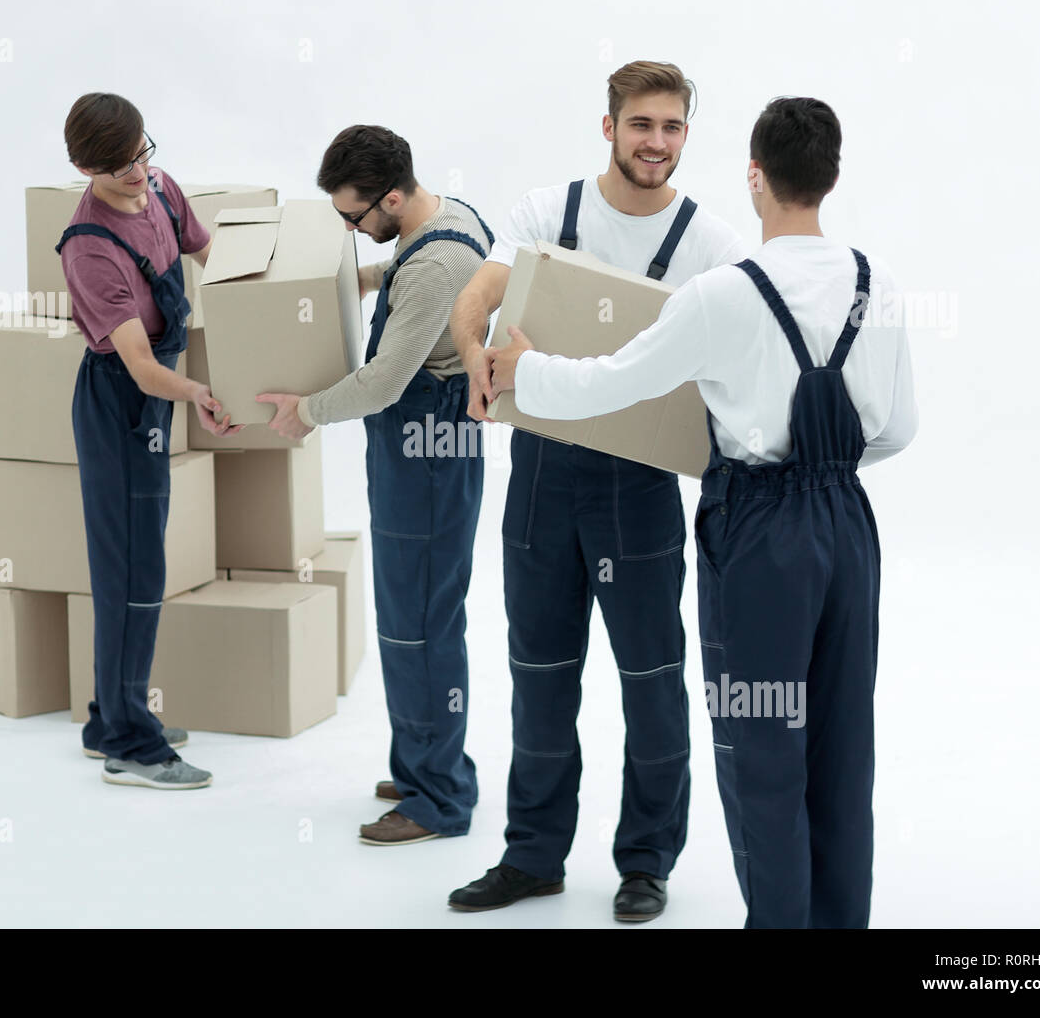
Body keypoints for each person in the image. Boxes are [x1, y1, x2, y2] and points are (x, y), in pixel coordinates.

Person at [488, 96, 918, 928]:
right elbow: (897, 430)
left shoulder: (725, 294)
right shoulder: (878, 281)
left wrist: (526, 372)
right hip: (848, 530)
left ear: (754, 177)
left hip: (760, 536)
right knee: (841, 745)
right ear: (830, 178)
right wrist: (824, 471)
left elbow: (613, 382)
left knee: (762, 752)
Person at [447, 61, 750, 921]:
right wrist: (473, 351)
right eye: (641, 124)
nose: (657, 142)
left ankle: (646, 862)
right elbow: (484, 287)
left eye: (673, 127)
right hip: (541, 474)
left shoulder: (712, 243)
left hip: (641, 483)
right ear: (609, 126)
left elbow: (751, 342)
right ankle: (533, 857)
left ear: (687, 134)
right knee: (540, 674)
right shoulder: (553, 212)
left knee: (651, 680)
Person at [259, 125, 494, 845]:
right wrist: (358, 279)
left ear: (392, 197)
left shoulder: (432, 265)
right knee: (420, 616)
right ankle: (432, 763)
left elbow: (385, 382)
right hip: (429, 448)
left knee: (416, 623)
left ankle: (437, 800)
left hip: (424, 449)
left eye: (355, 219)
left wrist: (306, 413)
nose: (353, 231)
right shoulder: (450, 214)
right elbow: (408, 276)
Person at [56, 92, 240, 790]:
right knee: (133, 571)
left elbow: (210, 255)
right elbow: (138, 365)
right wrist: (197, 395)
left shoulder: (161, 189)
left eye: (142, 153)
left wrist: (266, 308)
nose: (138, 172)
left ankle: (110, 716)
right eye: (119, 166)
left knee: (140, 558)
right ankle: (131, 744)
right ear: (83, 166)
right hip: (119, 402)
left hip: (155, 397)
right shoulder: (90, 246)